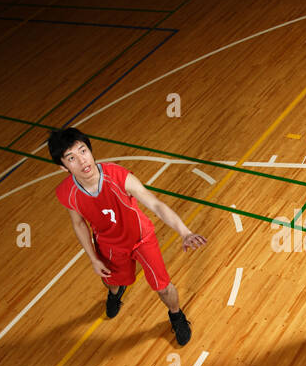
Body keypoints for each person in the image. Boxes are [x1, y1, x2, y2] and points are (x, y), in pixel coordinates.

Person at [48, 126, 206, 345]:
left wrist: (184, 231)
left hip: (141, 239)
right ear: (63, 166)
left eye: (83, 151)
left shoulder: (118, 176)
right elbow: (78, 224)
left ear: (90, 150)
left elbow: (155, 204)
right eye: (72, 158)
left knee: (163, 287)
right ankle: (116, 292)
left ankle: (176, 315)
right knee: (111, 283)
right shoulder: (67, 192)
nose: (82, 161)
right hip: (109, 246)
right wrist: (93, 258)